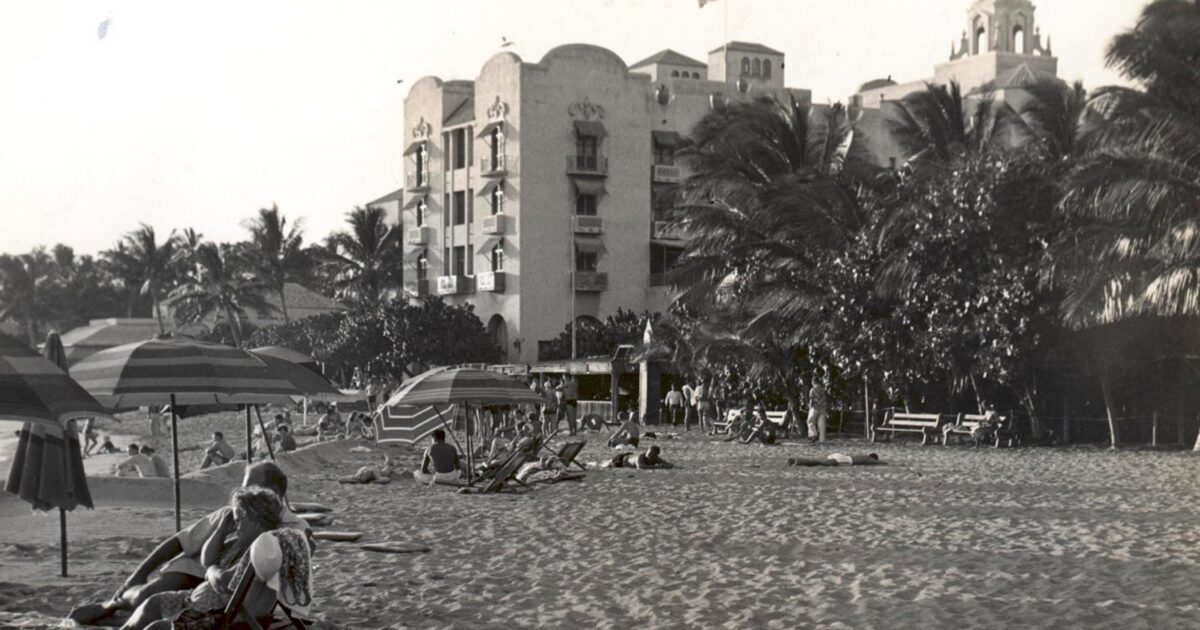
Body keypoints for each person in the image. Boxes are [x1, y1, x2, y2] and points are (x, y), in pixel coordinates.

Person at [68, 463, 309, 626]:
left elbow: (283, 567)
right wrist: (137, 575)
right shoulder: (234, 513)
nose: (246, 491)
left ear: (275, 492)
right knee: (146, 595)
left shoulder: (290, 530)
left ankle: (125, 617)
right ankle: (114, 604)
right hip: (198, 571)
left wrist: (215, 573)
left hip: (225, 589)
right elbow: (180, 542)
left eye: (252, 486)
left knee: (159, 611)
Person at [119, 486, 312, 630]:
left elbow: (223, 581)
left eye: (238, 521)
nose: (236, 526)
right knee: (151, 604)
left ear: (254, 520)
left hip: (216, 616)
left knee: (156, 628)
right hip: (195, 604)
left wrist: (211, 571)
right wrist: (222, 527)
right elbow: (206, 559)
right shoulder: (244, 543)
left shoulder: (261, 550)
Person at [607, 445, 674, 469]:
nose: (648, 456)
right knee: (607, 464)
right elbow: (641, 467)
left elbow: (670, 465)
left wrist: (664, 465)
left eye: (651, 455)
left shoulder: (656, 458)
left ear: (655, 456)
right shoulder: (640, 457)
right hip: (621, 460)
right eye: (648, 454)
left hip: (629, 457)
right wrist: (658, 467)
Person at [807, 373, 830, 443]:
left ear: (813, 381)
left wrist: (810, 407)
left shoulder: (812, 389)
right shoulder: (824, 389)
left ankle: (813, 434)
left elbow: (811, 399)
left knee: (810, 421)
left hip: (815, 408)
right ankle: (822, 440)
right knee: (822, 424)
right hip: (823, 408)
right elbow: (827, 398)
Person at [787, 453, 885, 466]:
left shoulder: (862, 455)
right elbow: (879, 463)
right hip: (844, 460)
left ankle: (797, 460)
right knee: (820, 463)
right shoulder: (868, 458)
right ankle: (799, 461)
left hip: (839, 455)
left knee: (819, 461)